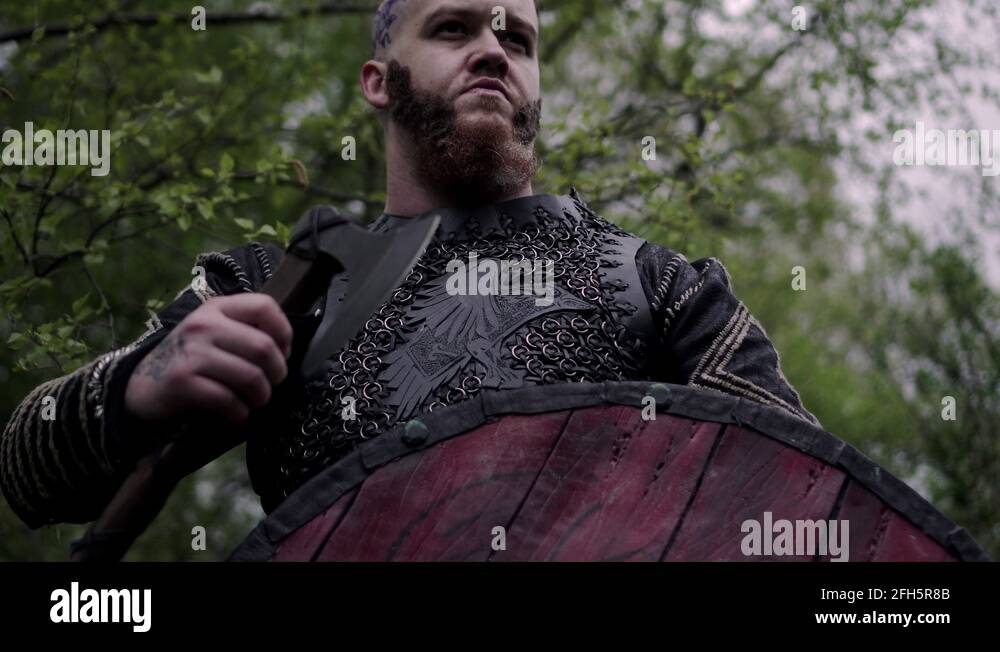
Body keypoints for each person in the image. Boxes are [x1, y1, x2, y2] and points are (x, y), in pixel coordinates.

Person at [0, 0, 818, 528]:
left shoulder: (664, 286)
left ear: (535, 85)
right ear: (378, 81)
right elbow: (27, 474)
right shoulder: (281, 286)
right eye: (454, 29)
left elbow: (816, 512)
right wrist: (139, 385)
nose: (494, 51)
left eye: (517, 38)